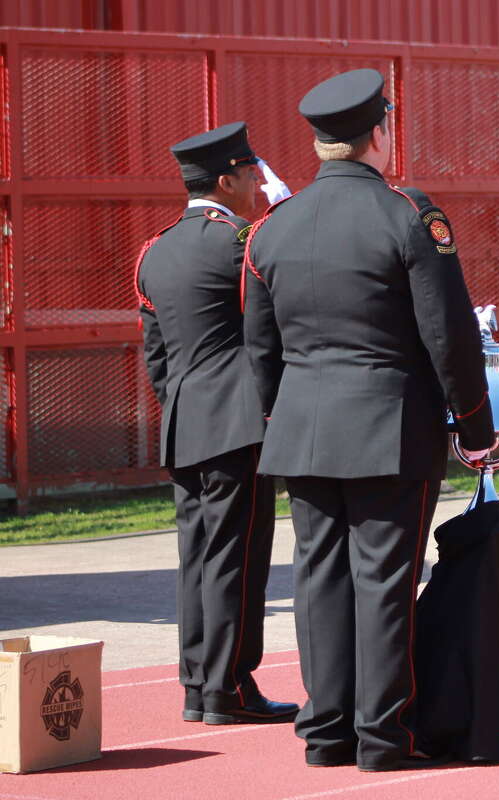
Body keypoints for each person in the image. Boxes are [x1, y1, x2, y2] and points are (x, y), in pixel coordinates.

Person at [241, 68, 496, 770]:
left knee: (318, 580)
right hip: (390, 426)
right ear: (379, 133)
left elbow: (261, 352)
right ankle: (383, 738)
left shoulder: (271, 230)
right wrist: (475, 427)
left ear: (322, 141)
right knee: (385, 581)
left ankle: (326, 733)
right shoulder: (407, 216)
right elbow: (448, 335)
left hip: (302, 429)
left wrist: (283, 416)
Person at [135, 122, 299, 724]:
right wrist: (285, 211)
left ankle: (198, 685)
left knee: (198, 556)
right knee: (239, 557)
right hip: (240, 422)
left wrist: (183, 405)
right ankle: (231, 688)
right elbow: (287, 285)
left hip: (185, 423)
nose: (259, 183)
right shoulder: (241, 241)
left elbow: (156, 355)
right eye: (252, 174)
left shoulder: (155, 251)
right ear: (226, 178)